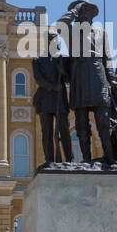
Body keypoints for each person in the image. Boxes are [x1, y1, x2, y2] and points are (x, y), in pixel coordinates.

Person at [56, 0, 115, 166]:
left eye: (87, 10)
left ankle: (109, 156)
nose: (84, 14)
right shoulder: (72, 32)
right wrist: (74, 10)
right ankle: (87, 159)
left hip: (97, 71)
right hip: (79, 71)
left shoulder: (101, 32)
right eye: (82, 11)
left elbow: (107, 58)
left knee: (103, 118)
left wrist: (110, 80)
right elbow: (60, 24)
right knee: (81, 121)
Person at [33, 29, 72, 166]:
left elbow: (68, 79)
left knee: (64, 130)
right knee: (47, 132)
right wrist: (51, 86)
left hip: (60, 99)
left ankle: (69, 159)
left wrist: (64, 72)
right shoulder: (37, 60)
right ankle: (49, 159)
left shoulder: (61, 59)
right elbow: (38, 78)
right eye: (52, 40)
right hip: (45, 99)